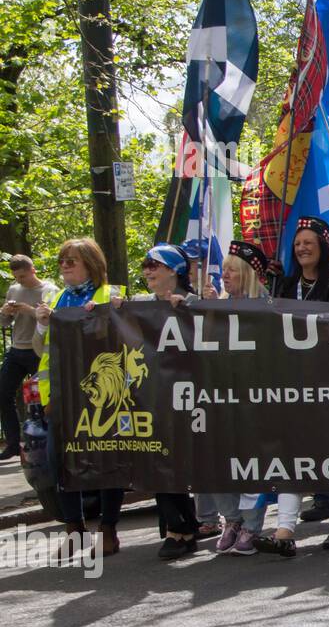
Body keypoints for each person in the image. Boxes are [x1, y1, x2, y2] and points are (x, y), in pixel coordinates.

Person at [267, 218, 329, 553]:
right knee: (293, 453)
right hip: (293, 385)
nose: (302, 248)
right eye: (297, 243)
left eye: (309, 242)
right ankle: (285, 531)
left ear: (323, 246)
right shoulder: (284, 285)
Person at [33, 239, 123, 557]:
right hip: (60, 398)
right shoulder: (55, 299)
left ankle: (108, 529)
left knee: (107, 460)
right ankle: (75, 529)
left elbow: (121, 341)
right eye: (62, 260)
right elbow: (40, 351)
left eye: (72, 260)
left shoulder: (110, 294)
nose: (65, 265)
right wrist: (43, 325)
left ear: (91, 262)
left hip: (101, 399)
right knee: (61, 463)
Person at [119, 244, 203, 559]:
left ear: (173, 270)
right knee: (158, 459)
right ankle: (177, 528)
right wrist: (108, 310)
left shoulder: (195, 302)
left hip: (191, 396)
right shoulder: (141, 305)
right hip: (154, 398)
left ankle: (191, 524)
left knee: (179, 461)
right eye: (145, 265)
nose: (148, 271)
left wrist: (191, 311)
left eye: (154, 265)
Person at [198, 241, 277, 555]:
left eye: (232, 269)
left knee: (251, 466)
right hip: (219, 398)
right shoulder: (215, 306)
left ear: (247, 273)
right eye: (224, 269)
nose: (225, 275)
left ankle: (251, 525)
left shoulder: (268, 306)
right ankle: (230, 519)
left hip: (255, 399)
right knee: (217, 462)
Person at [0, 255, 52, 460]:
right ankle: (13, 444)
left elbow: (49, 318)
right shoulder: (14, 290)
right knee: (3, 393)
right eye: (16, 277)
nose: (19, 280)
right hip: (16, 349)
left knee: (41, 399)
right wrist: (4, 312)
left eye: (22, 276)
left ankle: (42, 443)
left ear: (33, 270)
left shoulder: (48, 290)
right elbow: (4, 323)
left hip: (37, 351)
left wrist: (30, 310)